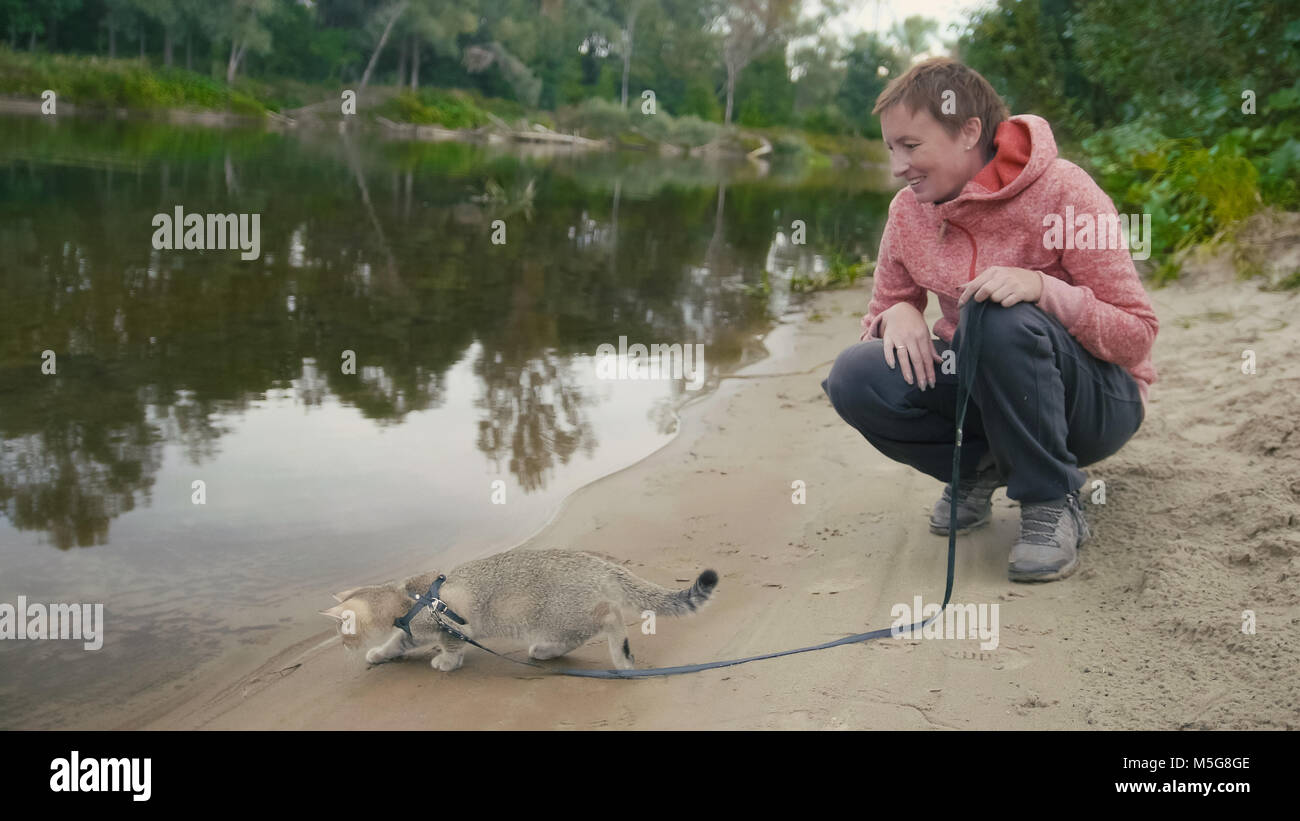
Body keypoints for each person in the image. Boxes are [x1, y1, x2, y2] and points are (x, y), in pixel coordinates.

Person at [821, 57, 1158, 582]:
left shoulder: (1066, 192)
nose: (897, 166)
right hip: (987, 393)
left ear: (968, 131)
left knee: (995, 313)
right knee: (854, 375)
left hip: (1094, 403)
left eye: (911, 146)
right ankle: (980, 467)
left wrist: (1044, 290)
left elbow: (1136, 335)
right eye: (890, 148)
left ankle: (1051, 499)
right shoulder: (908, 212)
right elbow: (878, 321)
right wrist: (897, 312)